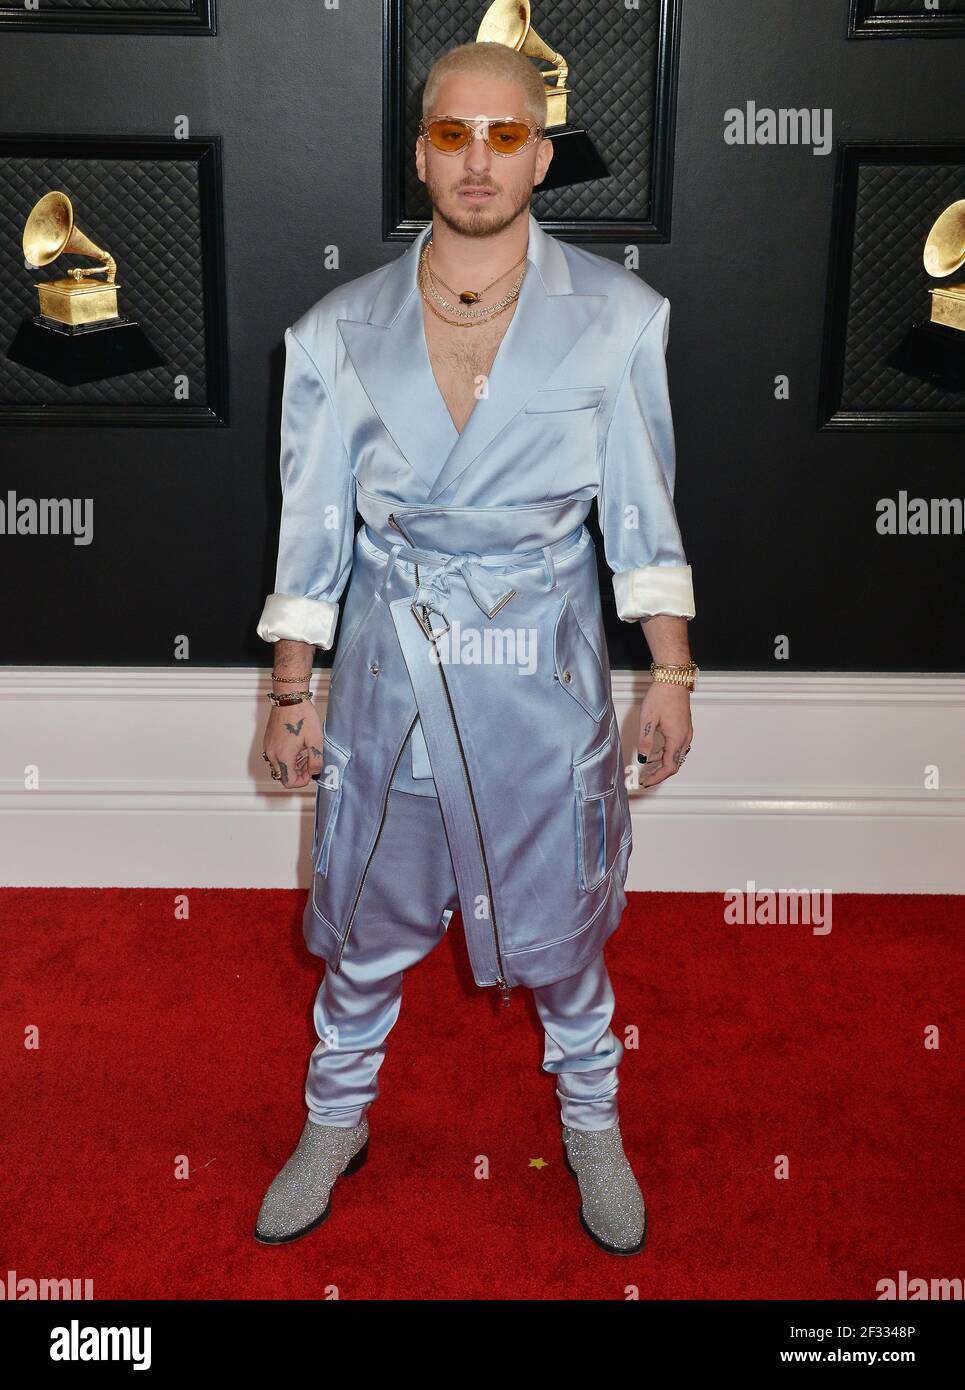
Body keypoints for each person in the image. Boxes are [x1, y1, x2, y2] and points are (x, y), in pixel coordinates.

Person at [253, 40, 696, 1257]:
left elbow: (640, 516)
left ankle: (591, 1121)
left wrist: (669, 669)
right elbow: (310, 532)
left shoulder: (620, 319)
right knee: (367, 932)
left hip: (538, 682)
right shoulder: (333, 333)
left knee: (561, 945)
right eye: (454, 134)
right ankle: (333, 1117)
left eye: (507, 135)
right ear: (420, 153)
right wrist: (292, 692)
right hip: (392, 679)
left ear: (542, 154)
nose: (480, 160)